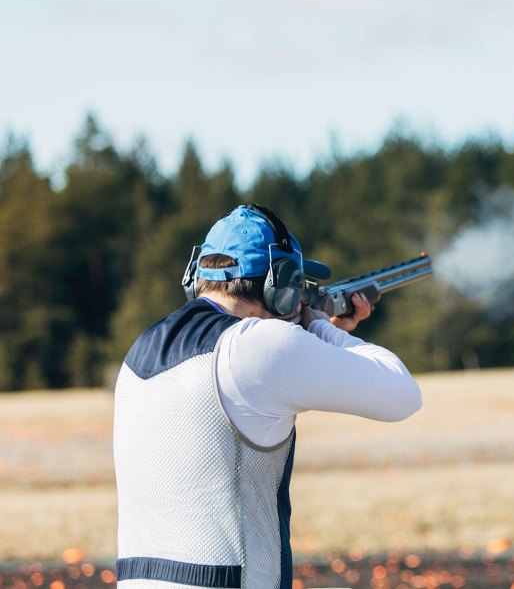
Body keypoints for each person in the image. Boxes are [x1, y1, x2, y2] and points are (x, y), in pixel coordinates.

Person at [112, 204, 422, 588]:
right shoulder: (256, 345)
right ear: (283, 285)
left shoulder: (140, 351)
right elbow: (402, 392)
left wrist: (306, 338)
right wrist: (323, 329)